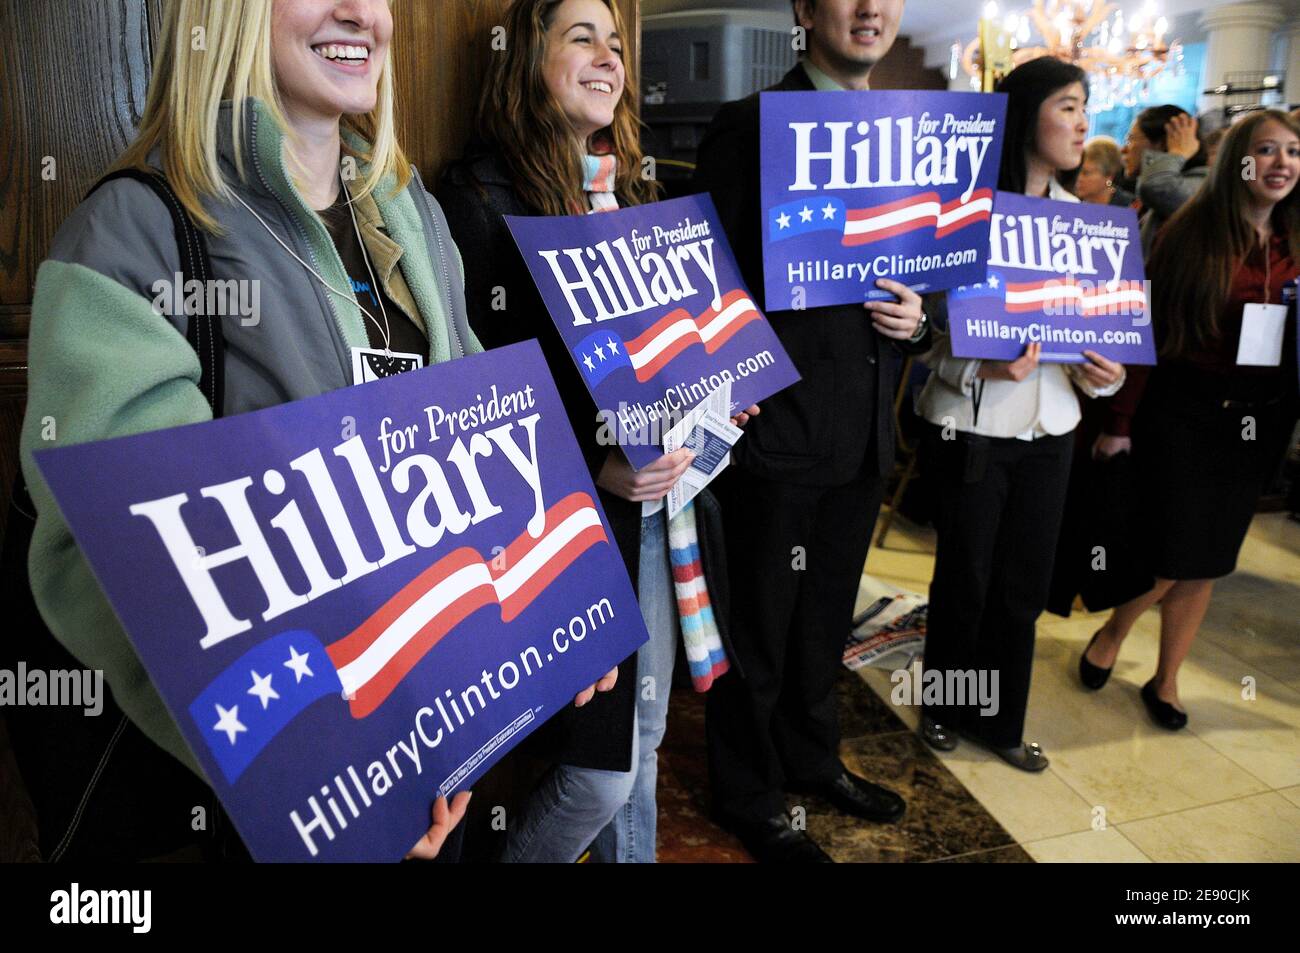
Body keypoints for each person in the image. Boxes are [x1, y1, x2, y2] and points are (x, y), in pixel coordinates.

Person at [17, 0, 485, 861]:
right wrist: (336, 779)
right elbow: (114, 573)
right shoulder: (132, 234)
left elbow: (485, 445)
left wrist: (555, 621)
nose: (360, 12)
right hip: (260, 811)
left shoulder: (409, 207)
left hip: (433, 754)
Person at [438, 0, 744, 864]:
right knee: (598, 772)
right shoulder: (471, 201)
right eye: (583, 37)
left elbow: (670, 350)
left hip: (657, 509)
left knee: (643, 737)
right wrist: (594, 464)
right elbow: (469, 405)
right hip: (553, 526)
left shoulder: (638, 192)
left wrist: (721, 392)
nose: (608, 56)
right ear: (524, 58)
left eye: (616, 42)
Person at [692, 0, 928, 863]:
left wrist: (920, 322)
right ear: (803, 9)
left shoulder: (912, 141)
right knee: (756, 632)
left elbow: (918, 279)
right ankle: (748, 794)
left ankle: (810, 756)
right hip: (778, 433)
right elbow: (708, 284)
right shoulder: (749, 128)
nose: (871, 8)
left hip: (865, 436)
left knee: (824, 624)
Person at [914, 57, 1126, 771]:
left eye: (1085, 107)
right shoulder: (963, 210)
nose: (1083, 123)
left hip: (1053, 430)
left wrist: (1106, 375)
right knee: (966, 577)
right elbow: (925, 327)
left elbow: (1100, 341)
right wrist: (979, 361)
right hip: (972, 423)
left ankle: (1000, 720)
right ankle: (944, 704)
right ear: (1026, 112)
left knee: (1023, 584)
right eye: (1068, 106)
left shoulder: (1086, 226)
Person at [1079, 110, 1299, 729]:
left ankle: (1167, 678)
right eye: (1267, 150)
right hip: (1184, 411)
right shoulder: (1190, 232)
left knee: (1209, 559)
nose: (1283, 163)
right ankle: (1112, 635)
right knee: (1170, 554)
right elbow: (1145, 334)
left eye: (1294, 151)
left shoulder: (1296, 241)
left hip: (1255, 423)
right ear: (1239, 163)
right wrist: (1118, 423)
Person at [1121, 105, 1209, 252]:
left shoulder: (1201, 183)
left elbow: (1156, 187)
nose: (1123, 149)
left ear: (1162, 144)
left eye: (1130, 140)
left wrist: (1177, 152)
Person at [1074, 137, 1136, 207]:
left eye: (1086, 173)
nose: (1078, 178)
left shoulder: (1131, 207)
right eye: (1077, 171)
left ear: (1109, 176)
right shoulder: (1070, 202)